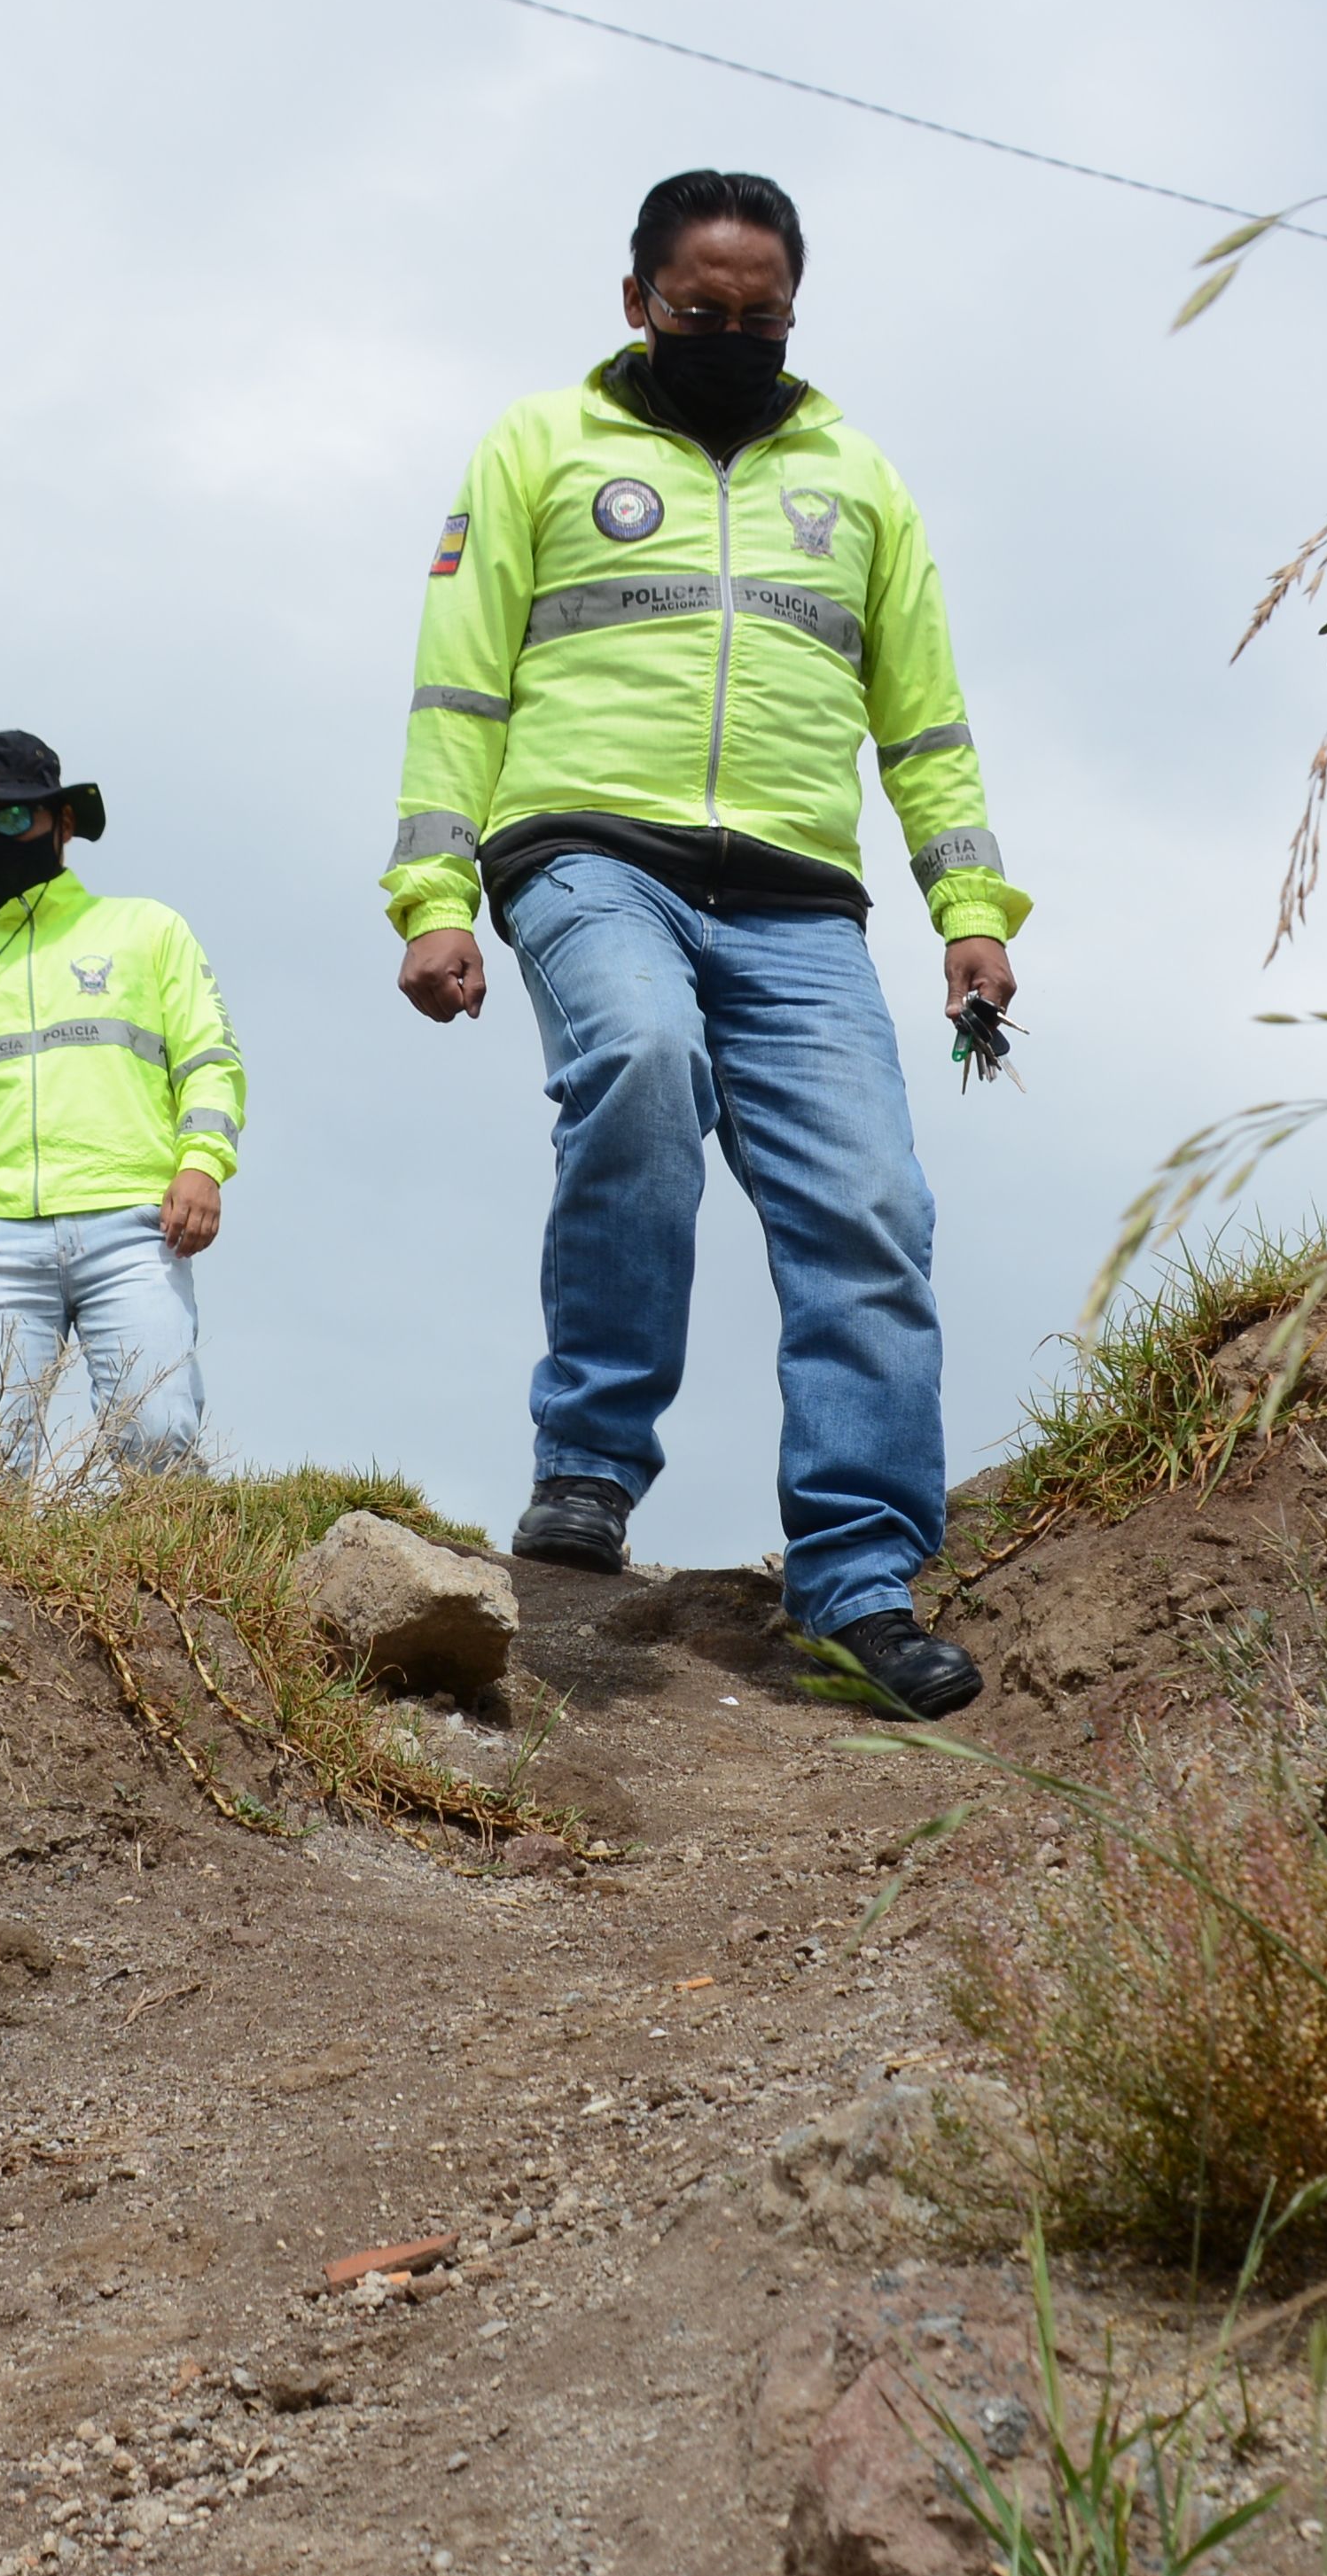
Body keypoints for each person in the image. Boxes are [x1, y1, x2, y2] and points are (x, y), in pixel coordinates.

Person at [381, 165, 1019, 1717]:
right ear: (635, 303)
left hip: (799, 898)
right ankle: (592, 1463)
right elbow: (459, 688)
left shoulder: (858, 480)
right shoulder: (540, 446)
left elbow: (923, 725)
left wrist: (972, 910)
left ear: (794, 314)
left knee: (870, 1203)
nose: (731, 332)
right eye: (699, 310)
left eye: (762, 316)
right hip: (589, 852)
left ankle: (860, 1579)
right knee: (644, 1064)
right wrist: (436, 898)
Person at [0, 728, 244, 1470]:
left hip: (132, 1227)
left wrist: (203, 1164)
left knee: (156, 1437)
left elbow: (210, 1061)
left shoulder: (147, 930)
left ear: (62, 823)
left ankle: (179, 1584)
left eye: (10, 819)